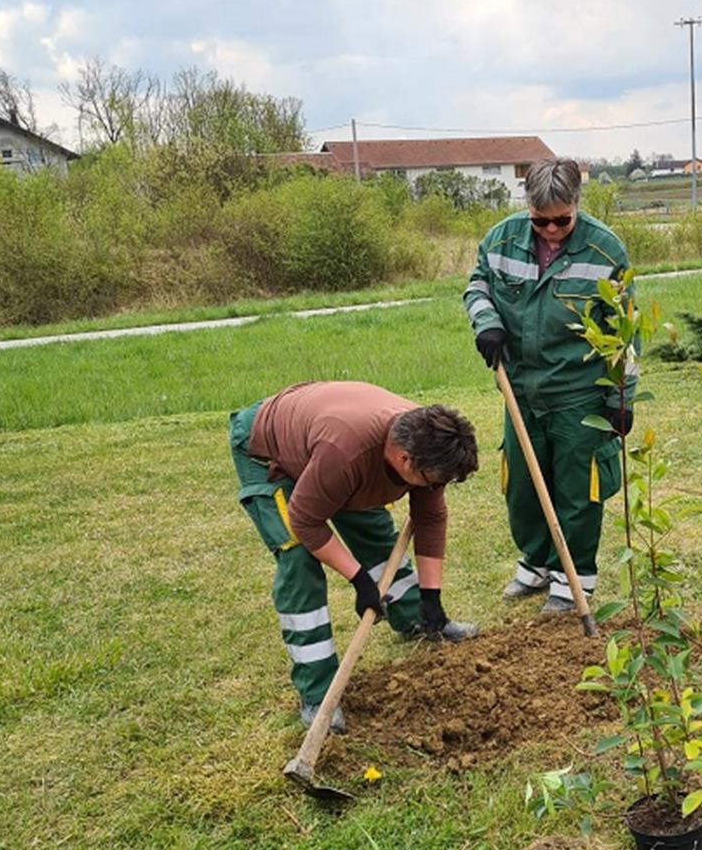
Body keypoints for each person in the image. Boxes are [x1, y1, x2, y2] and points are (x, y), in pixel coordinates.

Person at [229, 381, 479, 732]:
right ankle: (317, 694)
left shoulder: (426, 442)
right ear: (404, 459)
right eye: (432, 481)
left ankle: (419, 620)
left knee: (375, 534)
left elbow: (430, 518)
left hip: (327, 447)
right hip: (268, 453)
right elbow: (306, 521)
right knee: (299, 560)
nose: (434, 489)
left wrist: (432, 598)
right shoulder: (346, 453)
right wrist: (360, 581)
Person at [463, 157, 635, 613]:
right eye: (541, 222)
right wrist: (486, 323)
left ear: (577, 205)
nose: (552, 231)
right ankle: (537, 561)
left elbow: (622, 332)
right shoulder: (500, 241)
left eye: (562, 220)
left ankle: (575, 576)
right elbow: (477, 285)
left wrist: (622, 398)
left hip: (578, 393)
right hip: (520, 390)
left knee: (578, 490)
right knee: (521, 484)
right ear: (528, 207)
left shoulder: (605, 252)